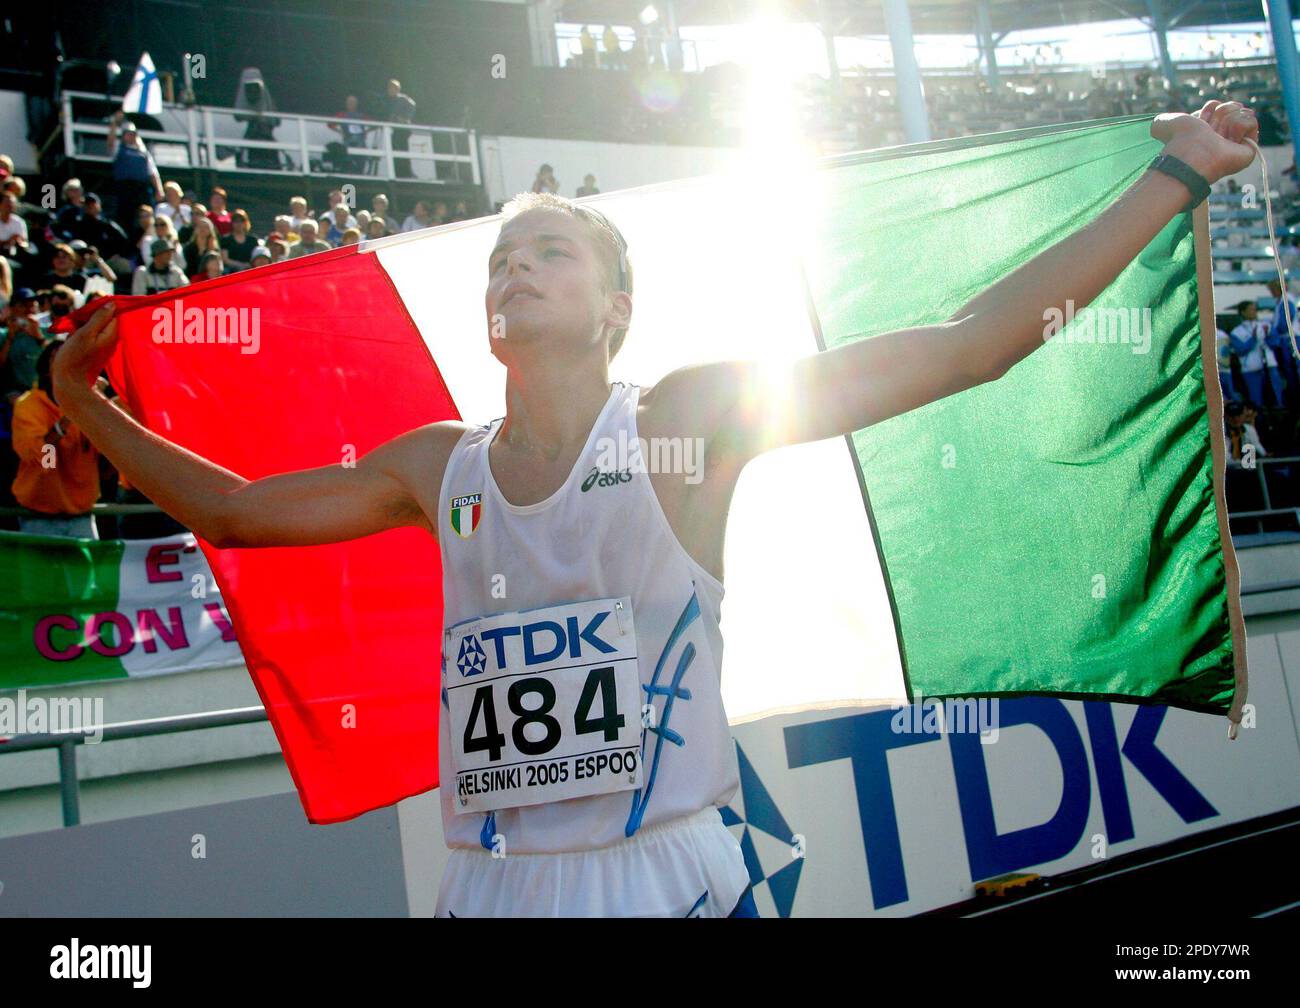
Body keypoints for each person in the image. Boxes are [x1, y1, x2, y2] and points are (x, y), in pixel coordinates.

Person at [50, 100, 1261, 917]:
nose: (512, 268)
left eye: (549, 254)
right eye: (500, 259)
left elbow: (968, 347)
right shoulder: (436, 467)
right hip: (489, 880)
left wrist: (1173, 174)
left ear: (616, 311)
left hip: (663, 879)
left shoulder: (682, 426)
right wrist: (81, 402)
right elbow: (244, 513)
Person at [11, 341, 105, 538]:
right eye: (60, 357)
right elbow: (44, 461)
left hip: (82, 517)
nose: (69, 362)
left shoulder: (90, 405)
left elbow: (106, 455)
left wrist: (102, 405)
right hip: (40, 520)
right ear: (46, 369)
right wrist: (72, 414)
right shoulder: (27, 406)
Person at [105, 114, 164, 232]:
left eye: (133, 134)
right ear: (123, 136)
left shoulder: (144, 153)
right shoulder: (119, 148)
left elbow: (153, 172)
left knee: (145, 214)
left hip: (142, 189)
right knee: (125, 216)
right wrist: (114, 124)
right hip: (125, 188)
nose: (131, 136)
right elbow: (110, 143)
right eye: (128, 134)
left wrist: (159, 190)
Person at [1231, 300, 1286, 410]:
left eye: (1255, 309)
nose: (1254, 311)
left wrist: (1268, 336)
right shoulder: (1236, 332)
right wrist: (1253, 338)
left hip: (1270, 366)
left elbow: (1276, 343)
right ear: (1243, 312)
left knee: (1277, 397)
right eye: (1251, 309)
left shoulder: (1266, 325)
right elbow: (1240, 350)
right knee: (1256, 401)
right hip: (1251, 370)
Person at [1266, 279, 1300, 406]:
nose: (1271, 293)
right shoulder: (1280, 301)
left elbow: (1285, 322)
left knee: (1292, 368)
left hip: (1290, 338)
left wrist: (1273, 331)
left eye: (1272, 290)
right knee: (1288, 369)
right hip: (1285, 339)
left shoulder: (1287, 300)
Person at [383, 78, 417, 179]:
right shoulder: (389, 100)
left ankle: (406, 173)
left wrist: (406, 118)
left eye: (392, 88)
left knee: (402, 151)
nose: (390, 90)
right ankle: (398, 172)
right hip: (394, 130)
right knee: (394, 151)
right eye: (389, 88)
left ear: (397, 89)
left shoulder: (402, 99)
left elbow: (412, 105)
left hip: (402, 130)